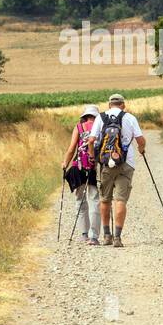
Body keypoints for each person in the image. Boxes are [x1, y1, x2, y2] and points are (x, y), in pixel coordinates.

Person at [86, 94, 146, 248]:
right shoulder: (130, 118)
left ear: (109, 105)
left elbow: (91, 140)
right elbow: (140, 139)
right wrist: (141, 149)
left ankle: (106, 236)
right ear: (123, 105)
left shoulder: (100, 117)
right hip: (126, 163)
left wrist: (93, 156)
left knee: (105, 199)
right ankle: (118, 237)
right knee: (120, 200)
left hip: (106, 164)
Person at [62, 104, 101, 246]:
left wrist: (65, 163)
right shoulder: (100, 126)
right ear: (96, 116)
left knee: (80, 200)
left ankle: (84, 234)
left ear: (84, 116)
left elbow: (72, 148)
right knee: (94, 200)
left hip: (79, 167)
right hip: (94, 168)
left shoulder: (79, 127)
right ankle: (94, 236)